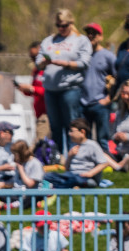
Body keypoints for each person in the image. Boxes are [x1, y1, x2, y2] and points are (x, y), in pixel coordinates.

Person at [36, 9, 92, 154]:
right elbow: (38, 62)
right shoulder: (49, 40)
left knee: (71, 126)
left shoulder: (80, 40)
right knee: (54, 126)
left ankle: (73, 156)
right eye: (58, 25)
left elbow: (84, 63)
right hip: (51, 90)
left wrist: (66, 64)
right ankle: (58, 157)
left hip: (70, 89)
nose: (61, 28)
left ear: (71, 23)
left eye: (64, 25)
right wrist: (44, 63)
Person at [80, 23, 116, 153]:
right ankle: (89, 165)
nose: (90, 36)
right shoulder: (82, 55)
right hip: (83, 103)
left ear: (100, 36)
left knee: (102, 138)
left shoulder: (108, 56)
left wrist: (109, 98)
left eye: (94, 33)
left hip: (100, 104)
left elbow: (118, 78)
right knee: (86, 139)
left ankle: (106, 165)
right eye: (88, 33)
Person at [42, 118, 107, 189]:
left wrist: (90, 173)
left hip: (83, 176)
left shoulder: (92, 145)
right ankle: (70, 186)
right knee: (48, 176)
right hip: (71, 175)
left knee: (76, 180)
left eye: (71, 131)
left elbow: (104, 163)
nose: (69, 134)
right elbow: (66, 169)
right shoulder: (73, 146)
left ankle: (61, 186)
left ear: (82, 132)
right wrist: (70, 156)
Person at [15, 42, 47, 138]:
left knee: (40, 145)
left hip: (47, 114)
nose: (33, 60)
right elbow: (33, 91)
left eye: (35, 57)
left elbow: (47, 91)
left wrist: (32, 89)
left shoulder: (49, 70)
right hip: (38, 114)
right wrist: (24, 89)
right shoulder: (36, 70)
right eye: (31, 57)